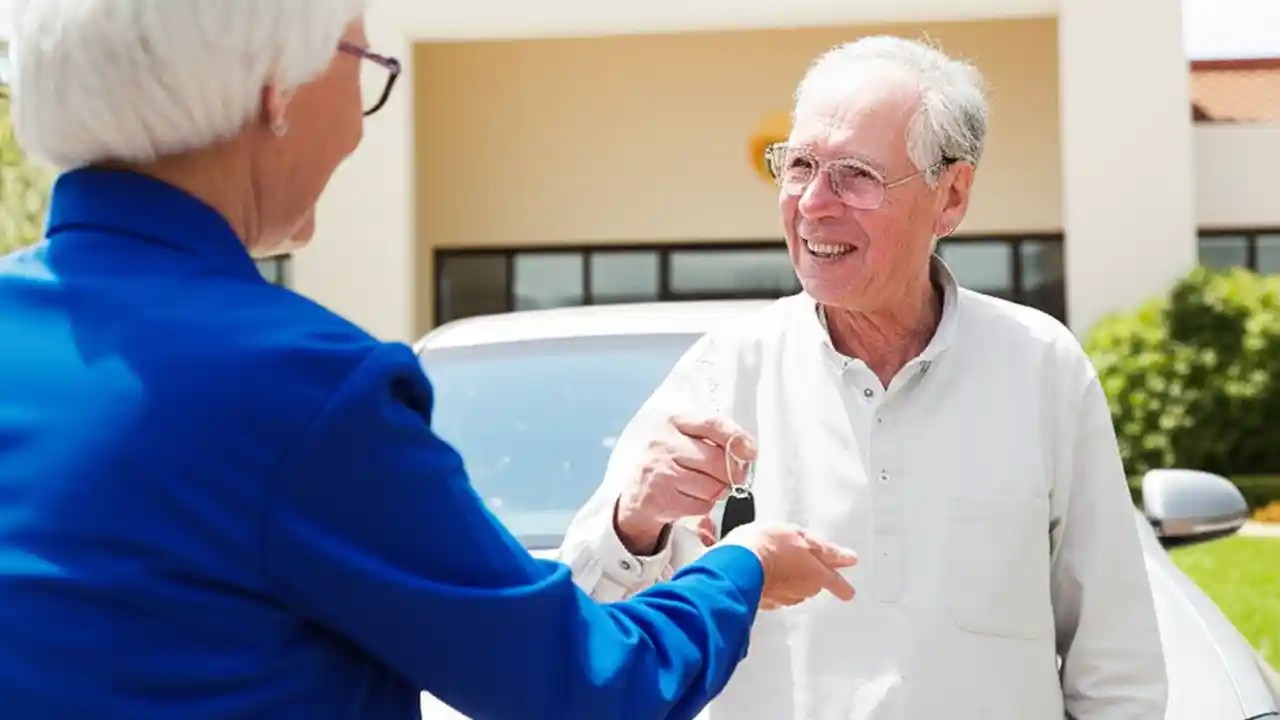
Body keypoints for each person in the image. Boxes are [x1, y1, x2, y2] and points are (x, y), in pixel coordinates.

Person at [0, 3, 860, 719]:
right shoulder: (302, 387)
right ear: (276, 92)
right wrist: (739, 570)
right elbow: (583, 685)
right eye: (361, 59)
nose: (360, 116)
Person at [559, 35, 1168, 719]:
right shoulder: (725, 371)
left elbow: (1118, 667)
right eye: (799, 165)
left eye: (855, 174)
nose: (815, 202)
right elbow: (574, 636)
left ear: (952, 196)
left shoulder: (1041, 368)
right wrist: (635, 521)